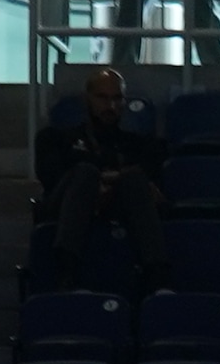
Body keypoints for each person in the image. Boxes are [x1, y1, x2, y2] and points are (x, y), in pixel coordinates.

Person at [40, 65, 170, 283]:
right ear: (87, 99)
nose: (110, 106)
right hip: (65, 205)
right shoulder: (55, 138)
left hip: (120, 204)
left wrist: (109, 178)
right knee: (85, 174)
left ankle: (157, 276)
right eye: (102, 98)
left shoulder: (137, 143)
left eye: (117, 98)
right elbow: (51, 178)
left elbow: (151, 172)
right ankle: (66, 273)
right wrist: (101, 177)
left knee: (133, 179)